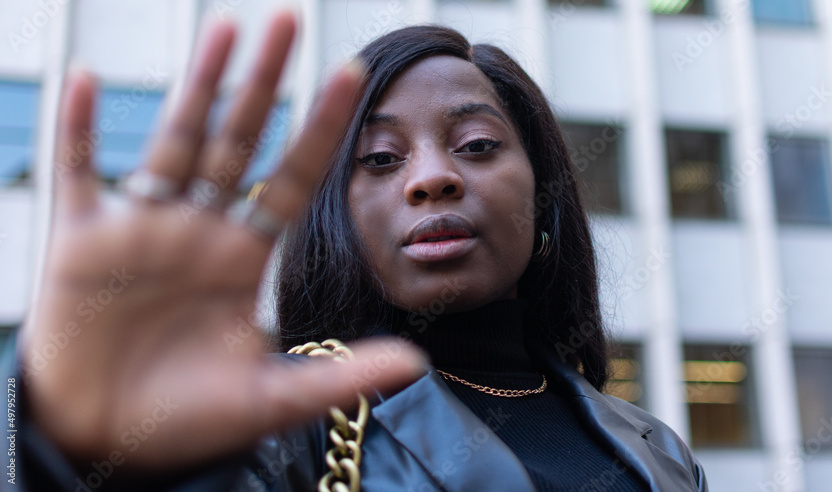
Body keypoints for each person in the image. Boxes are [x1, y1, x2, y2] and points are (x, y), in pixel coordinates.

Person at [7, 10, 708, 492]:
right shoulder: (278, 426)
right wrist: (81, 454)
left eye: (477, 146)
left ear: (544, 193)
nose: (433, 176)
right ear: (336, 222)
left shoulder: (657, 448)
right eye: (378, 158)